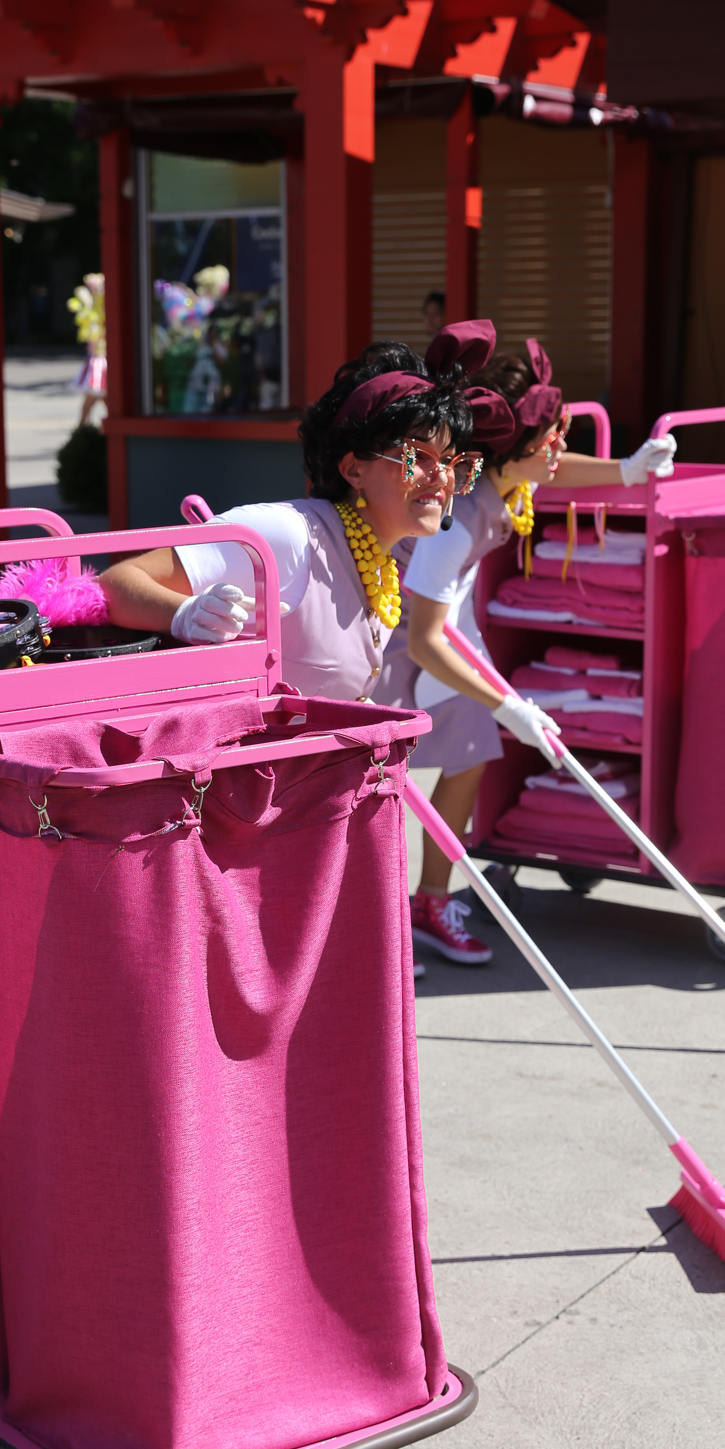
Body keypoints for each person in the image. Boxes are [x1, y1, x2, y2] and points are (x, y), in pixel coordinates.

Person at [99, 329, 566, 976]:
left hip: (307, 826)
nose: (440, 479)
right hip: (225, 836)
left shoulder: (386, 553)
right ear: (351, 467)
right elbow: (113, 584)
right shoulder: (284, 533)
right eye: (415, 459)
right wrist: (181, 613)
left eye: (453, 462)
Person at [374, 338, 676, 964]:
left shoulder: (508, 478)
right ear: (518, 450)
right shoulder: (457, 516)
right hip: (391, 644)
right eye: (553, 437)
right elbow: (424, 638)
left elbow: (556, 470)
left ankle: (429, 900)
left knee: (471, 753)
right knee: (378, 787)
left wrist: (629, 468)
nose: (561, 447)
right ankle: (374, 935)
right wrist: (511, 704)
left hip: (443, 627)